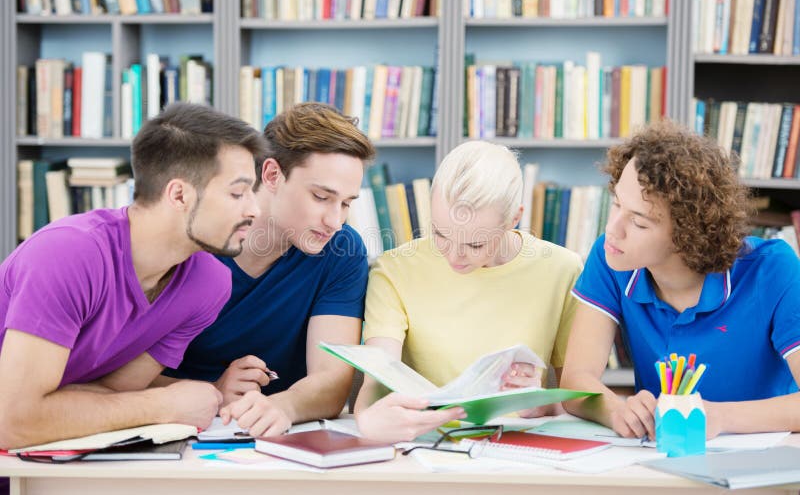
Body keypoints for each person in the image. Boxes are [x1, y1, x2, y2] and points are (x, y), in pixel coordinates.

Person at [0, 103, 265, 449]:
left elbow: (111, 393)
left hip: (55, 456)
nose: (254, 209)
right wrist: (164, 404)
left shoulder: (208, 284)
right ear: (179, 195)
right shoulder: (66, 255)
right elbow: (13, 421)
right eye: (237, 193)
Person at [561, 119, 800, 440]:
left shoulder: (772, 269)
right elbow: (576, 379)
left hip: (762, 460)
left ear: (688, 235)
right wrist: (616, 410)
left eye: (639, 222)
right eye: (617, 203)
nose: (612, 229)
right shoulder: (611, 256)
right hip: (664, 456)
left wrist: (719, 417)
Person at [159, 102, 376, 437]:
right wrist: (214, 391)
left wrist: (283, 407)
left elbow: (332, 382)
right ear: (272, 175)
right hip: (179, 432)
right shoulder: (191, 243)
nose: (335, 220)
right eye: (321, 197)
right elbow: (121, 382)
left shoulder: (342, 250)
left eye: (346, 203)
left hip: (281, 437)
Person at [354, 141, 583, 442]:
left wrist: (539, 403)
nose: (453, 256)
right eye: (440, 234)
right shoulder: (394, 270)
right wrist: (369, 419)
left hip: (519, 448)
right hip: (426, 445)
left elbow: (579, 400)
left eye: (474, 244)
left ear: (514, 219)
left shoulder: (562, 270)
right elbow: (377, 383)